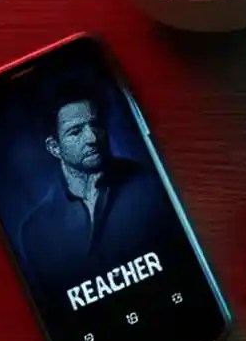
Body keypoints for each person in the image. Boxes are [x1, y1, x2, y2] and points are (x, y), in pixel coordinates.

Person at [17, 81, 169, 307]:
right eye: (75, 132)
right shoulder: (36, 231)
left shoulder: (151, 186)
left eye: (95, 125)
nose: (91, 138)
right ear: (54, 148)